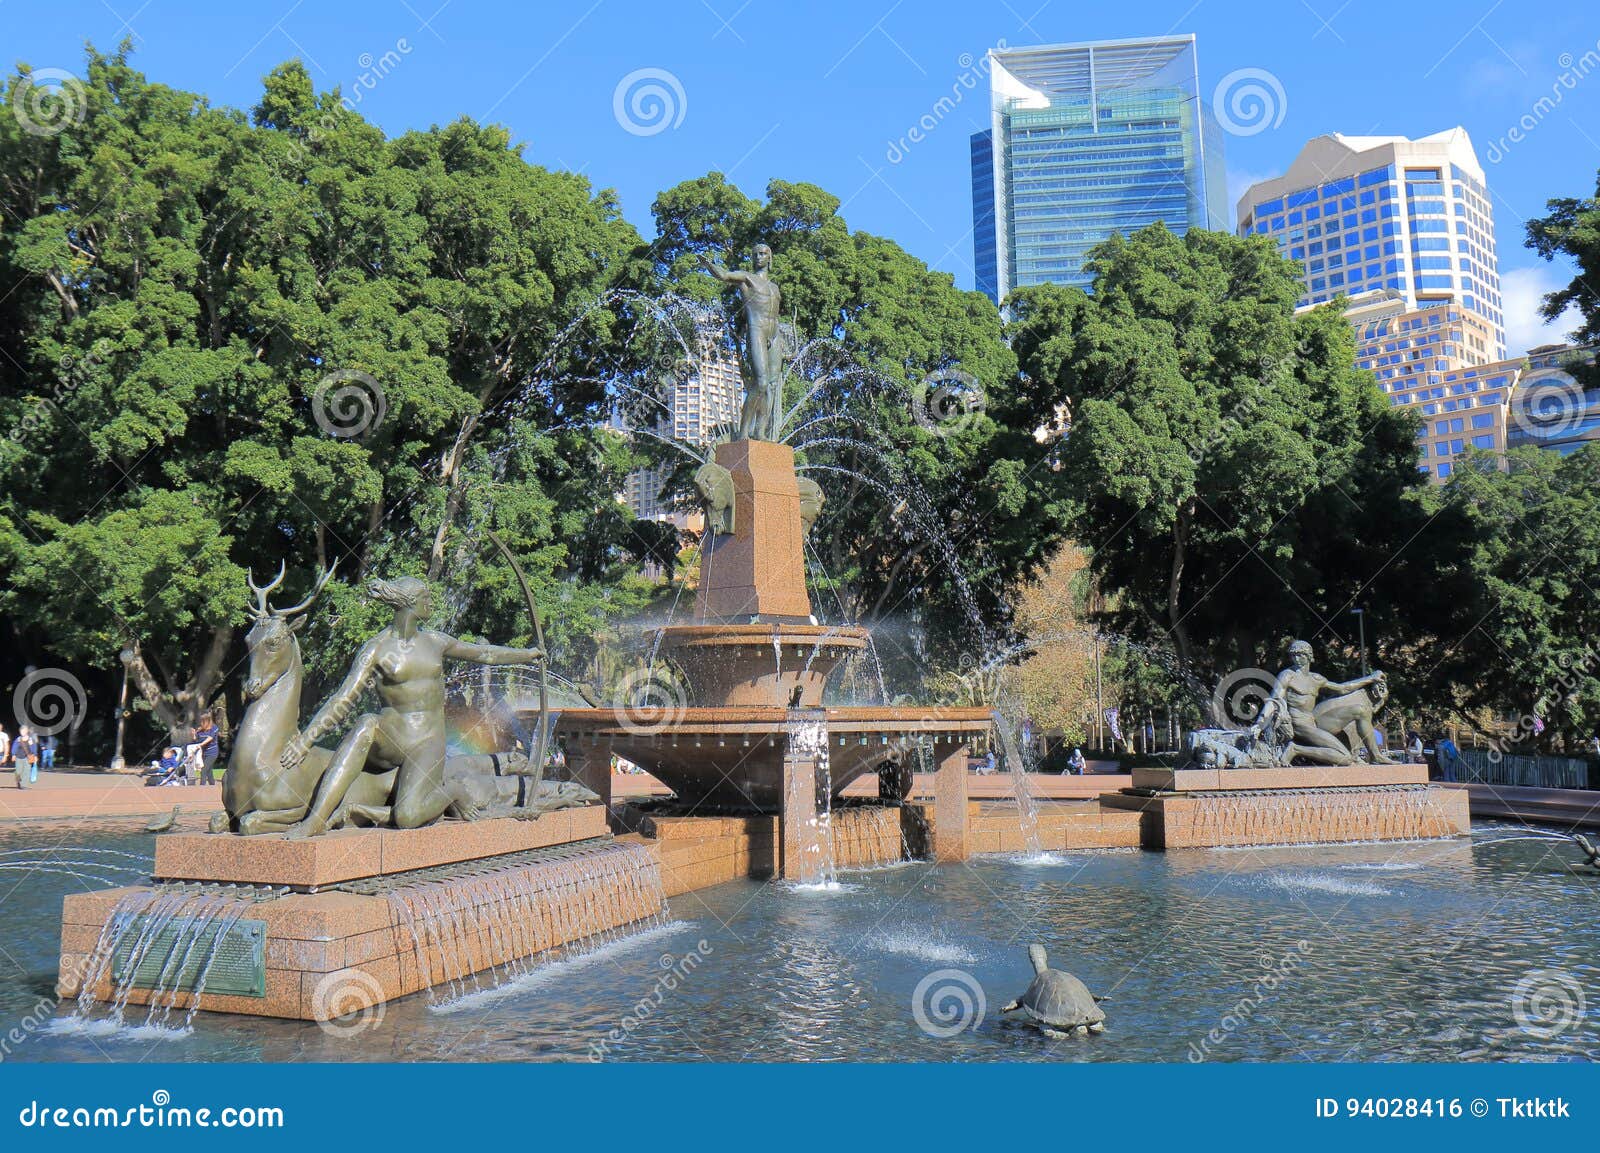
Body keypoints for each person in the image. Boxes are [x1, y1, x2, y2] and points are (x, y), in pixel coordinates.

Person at [193, 714, 220, 785]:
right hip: (204, 753)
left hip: (212, 752)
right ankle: (212, 786)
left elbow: (210, 738)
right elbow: (196, 741)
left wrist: (201, 745)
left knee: (203, 770)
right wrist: (194, 734)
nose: (200, 723)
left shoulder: (214, 728)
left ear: (207, 722)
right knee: (209, 771)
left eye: (202, 722)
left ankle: (202, 787)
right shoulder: (200, 731)